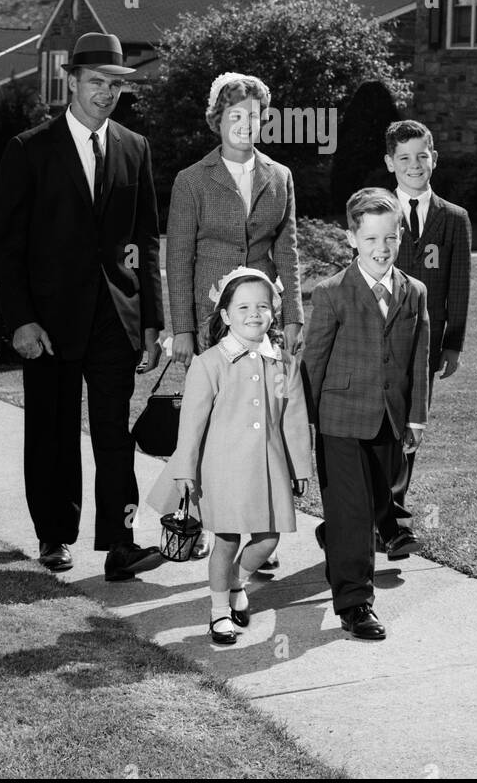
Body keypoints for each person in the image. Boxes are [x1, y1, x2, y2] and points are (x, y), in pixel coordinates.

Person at [0, 31, 166, 581]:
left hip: (117, 316)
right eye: (96, 82)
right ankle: (53, 535)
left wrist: (152, 321)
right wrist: (20, 318)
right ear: (71, 81)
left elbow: (147, 239)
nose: (106, 93)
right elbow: (7, 245)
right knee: (52, 429)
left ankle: (120, 542)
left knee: (113, 430)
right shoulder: (29, 149)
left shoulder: (135, 148)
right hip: (49, 322)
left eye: (115, 84)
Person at [166, 71, 304, 570]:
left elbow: (286, 249)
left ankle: (260, 529)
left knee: (261, 422)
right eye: (235, 116)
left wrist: (292, 317)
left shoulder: (280, 176)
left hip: (261, 321)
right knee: (210, 427)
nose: (245, 124)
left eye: (254, 116)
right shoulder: (191, 180)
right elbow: (178, 257)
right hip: (210, 323)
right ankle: (209, 523)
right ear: (217, 120)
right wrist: (182, 327)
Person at [148, 268, 312, 646]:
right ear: (225, 315)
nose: (254, 314)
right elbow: (191, 423)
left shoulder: (283, 362)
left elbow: (294, 417)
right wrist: (185, 468)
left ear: (273, 311)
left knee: (269, 537)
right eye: (243, 307)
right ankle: (219, 611)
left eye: (262, 306)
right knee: (226, 540)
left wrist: (300, 465)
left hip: (269, 468)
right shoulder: (210, 364)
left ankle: (237, 582)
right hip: (222, 470)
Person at [302, 188, 430, 641]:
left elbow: (418, 358)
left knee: (377, 504)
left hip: (390, 421)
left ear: (400, 238)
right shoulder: (332, 293)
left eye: (390, 238)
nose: (382, 248)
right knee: (354, 512)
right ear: (353, 238)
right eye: (371, 238)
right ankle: (356, 602)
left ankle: (336, 542)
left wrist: (416, 417)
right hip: (339, 420)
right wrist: (303, 426)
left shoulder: (414, 292)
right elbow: (312, 364)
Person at [377, 119, 471, 553]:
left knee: (411, 427)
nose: (414, 165)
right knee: (377, 428)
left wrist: (453, 342)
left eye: (422, 156)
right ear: (390, 164)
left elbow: (458, 285)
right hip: (378, 343)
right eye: (404, 158)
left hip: (426, 344)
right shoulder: (377, 213)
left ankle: (394, 516)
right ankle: (377, 515)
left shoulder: (453, 219)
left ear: (434, 158)